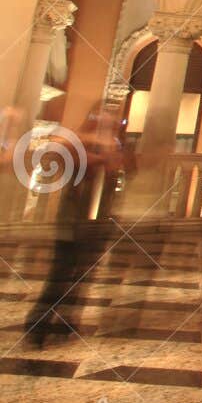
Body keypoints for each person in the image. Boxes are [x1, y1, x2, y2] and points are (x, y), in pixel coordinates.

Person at [23, 105, 127, 346]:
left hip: (97, 223)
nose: (107, 124)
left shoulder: (111, 147)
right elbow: (60, 150)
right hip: (71, 222)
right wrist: (92, 145)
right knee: (59, 274)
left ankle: (66, 322)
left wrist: (108, 149)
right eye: (101, 119)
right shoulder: (76, 144)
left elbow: (118, 169)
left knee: (83, 275)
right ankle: (37, 324)